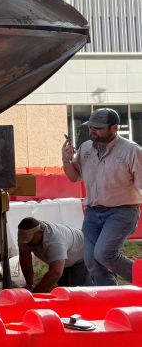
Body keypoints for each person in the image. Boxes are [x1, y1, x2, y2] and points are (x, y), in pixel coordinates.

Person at [62, 107, 142, 285]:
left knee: (104, 253)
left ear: (114, 128)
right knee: (91, 260)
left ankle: (139, 279)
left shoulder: (132, 151)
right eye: (91, 127)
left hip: (123, 212)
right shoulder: (85, 148)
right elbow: (74, 176)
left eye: (98, 127)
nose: (92, 131)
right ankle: (110, 296)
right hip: (92, 212)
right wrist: (66, 160)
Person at [17, 217, 90, 292]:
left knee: (77, 291)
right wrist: (29, 285)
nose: (27, 243)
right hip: (64, 258)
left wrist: (35, 294)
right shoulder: (24, 238)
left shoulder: (54, 240)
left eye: (31, 239)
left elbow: (55, 272)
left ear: (40, 232)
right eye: (25, 240)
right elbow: (25, 261)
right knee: (63, 289)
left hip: (82, 254)